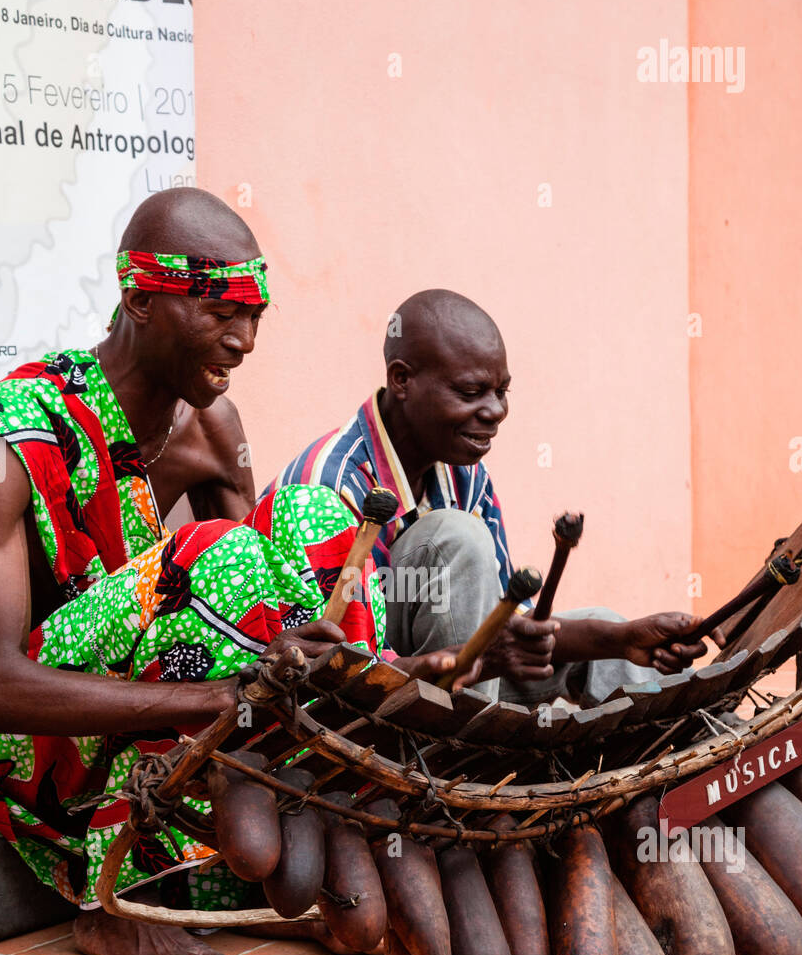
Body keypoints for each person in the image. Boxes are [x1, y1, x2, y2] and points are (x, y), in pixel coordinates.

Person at [0, 192, 472, 955]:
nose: (244, 341)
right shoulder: (6, 435)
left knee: (310, 515)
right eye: (221, 312)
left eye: (255, 315)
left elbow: (267, 607)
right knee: (210, 552)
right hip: (27, 750)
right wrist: (220, 698)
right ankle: (113, 902)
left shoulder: (212, 427)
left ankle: (335, 821)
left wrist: (318, 664)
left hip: (153, 709)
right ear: (140, 299)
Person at [267, 288, 719, 703]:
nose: (496, 411)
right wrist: (474, 658)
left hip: (461, 669)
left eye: (502, 391)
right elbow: (335, 669)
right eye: (471, 392)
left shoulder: (465, 473)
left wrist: (622, 638)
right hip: (369, 699)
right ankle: (461, 740)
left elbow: (508, 625)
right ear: (402, 380)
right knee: (454, 536)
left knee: (606, 636)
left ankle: (680, 741)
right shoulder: (327, 487)